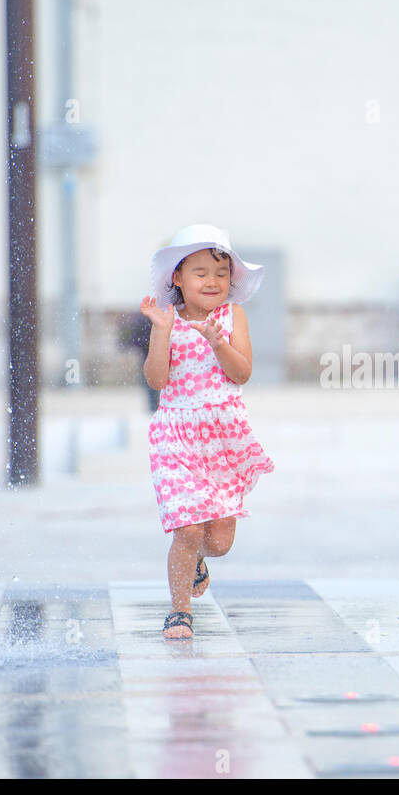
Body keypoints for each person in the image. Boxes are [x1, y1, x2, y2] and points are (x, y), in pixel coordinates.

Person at [140, 224, 275, 639]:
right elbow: (156, 380)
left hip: (222, 438)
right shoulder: (166, 319)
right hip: (176, 435)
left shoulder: (233, 316)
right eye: (200, 273)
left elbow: (243, 372)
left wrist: (219, 342)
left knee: (217, 542)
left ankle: (199, 558)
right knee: (187, 527)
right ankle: (180, 612)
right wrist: (162, 333)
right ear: (177, 278)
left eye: (220, 273)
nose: (212, 282)